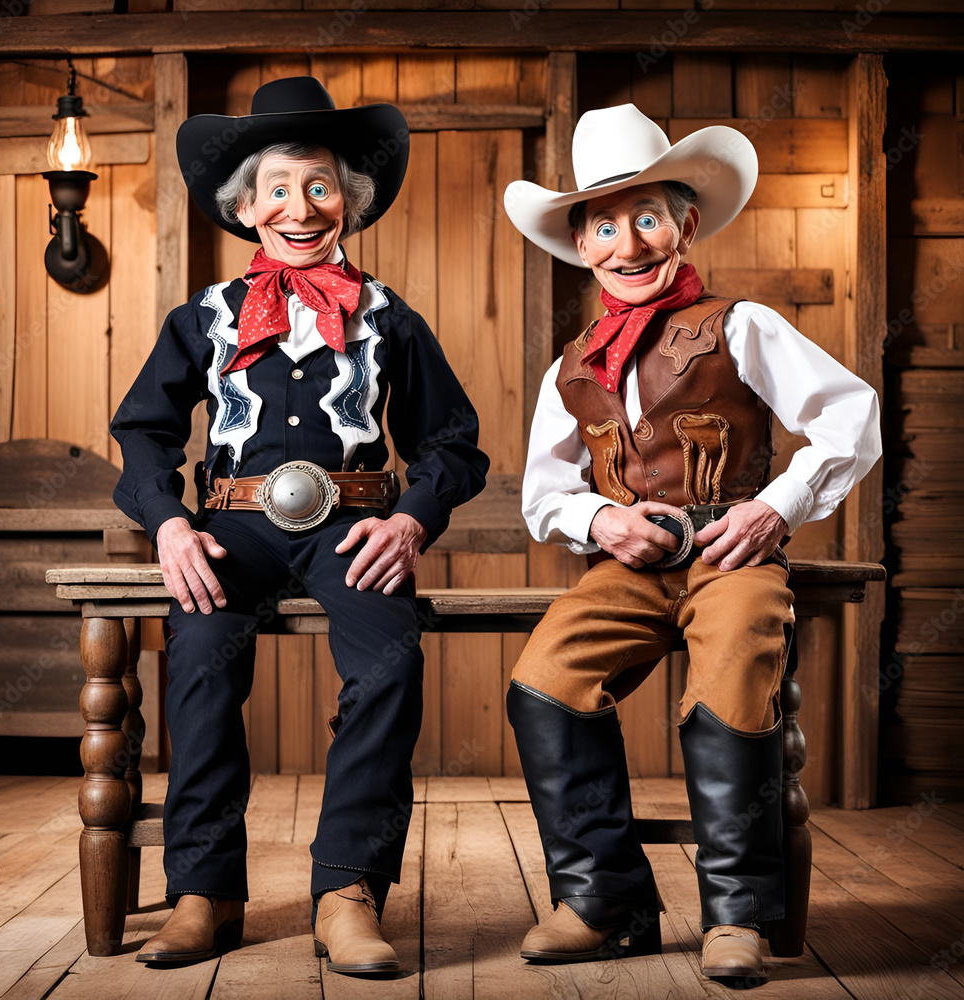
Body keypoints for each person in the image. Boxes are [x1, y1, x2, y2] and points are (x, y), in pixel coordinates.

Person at [110, 77, 488, 974]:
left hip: (353, 522)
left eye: (319, 186)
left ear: (348, 205)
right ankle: (205, 892)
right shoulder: (202, 317)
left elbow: (453, 442)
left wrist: (411, 521)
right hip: (231, 525)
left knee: (390, 664)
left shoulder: (388, 315)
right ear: (246, 208)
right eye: (277, 187)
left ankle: (348, 890)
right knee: (197, 664)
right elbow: (143, 435)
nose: (299, 206)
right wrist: (167, 524)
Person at [501, 104, 880, 985]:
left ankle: (736, 915)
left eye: (646, 218)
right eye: (604, 224)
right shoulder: (573, 367)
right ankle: (606, 901)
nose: (626, 243)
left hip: (732, 559)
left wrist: (776, 509)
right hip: (628, 571)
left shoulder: (740, 324)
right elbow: (541, 493)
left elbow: (850, 416)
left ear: (684, 226)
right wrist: (599, 521)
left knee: (734, 678)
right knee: (543, 685)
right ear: (583, 245)